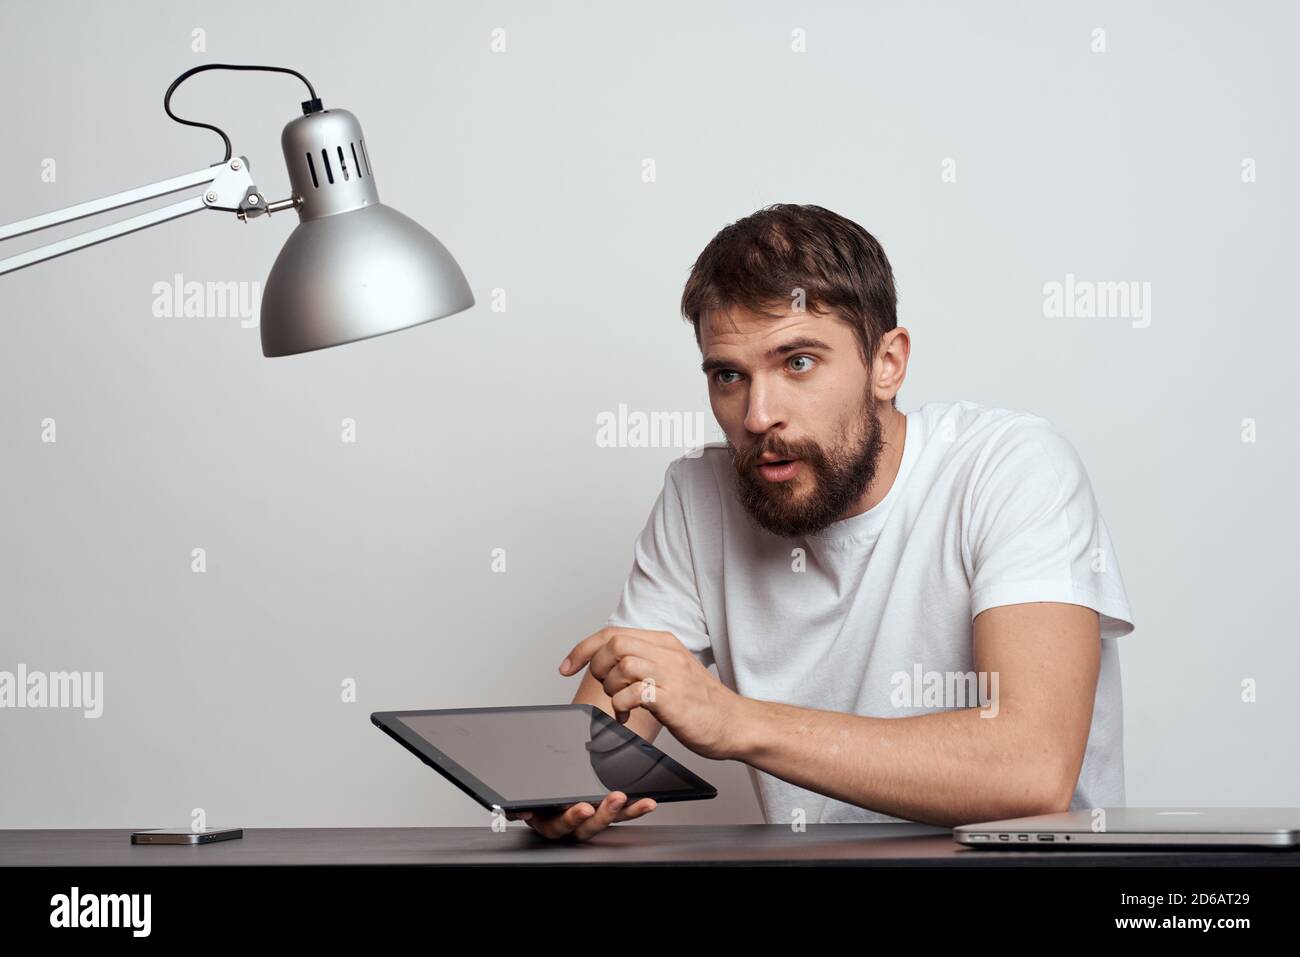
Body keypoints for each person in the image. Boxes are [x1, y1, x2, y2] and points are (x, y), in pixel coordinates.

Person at [512, 203, 1134, 842]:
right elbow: (592, 752)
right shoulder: (698, 494)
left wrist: (734, 721)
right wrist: (565, 795)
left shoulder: (1010, 466)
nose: (758, 416)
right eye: (729, 375)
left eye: (798, 363)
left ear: (887, 363)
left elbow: (1029, 769)